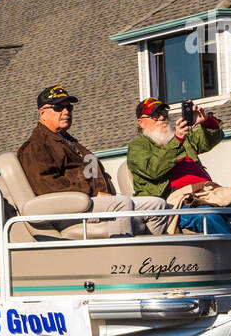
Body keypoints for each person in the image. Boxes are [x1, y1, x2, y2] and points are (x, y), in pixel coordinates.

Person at [16, 85, 163, 237]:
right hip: (68, 209)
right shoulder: (36, 146)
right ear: (42, 113)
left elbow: (94, 175)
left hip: (93, 202)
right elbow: (47, 186)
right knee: (121, 205)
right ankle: (122, 258)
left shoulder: (71, 143)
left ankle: (150, 258)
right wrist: (93, 193)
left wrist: (105, 193)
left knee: (157, 205)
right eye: (58, 107)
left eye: (69, 107)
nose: (66, 111)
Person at [126, 97, 231, 235]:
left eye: (164, 113)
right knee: (208, 216)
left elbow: (211, 138)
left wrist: (206, 121)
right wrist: (177, 140)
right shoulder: (138, 146)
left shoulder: (180, 138)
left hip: (209, 192)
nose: (162, 118)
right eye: (155, 115)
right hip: (177, 202)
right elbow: (153, 170)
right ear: (141, 122)